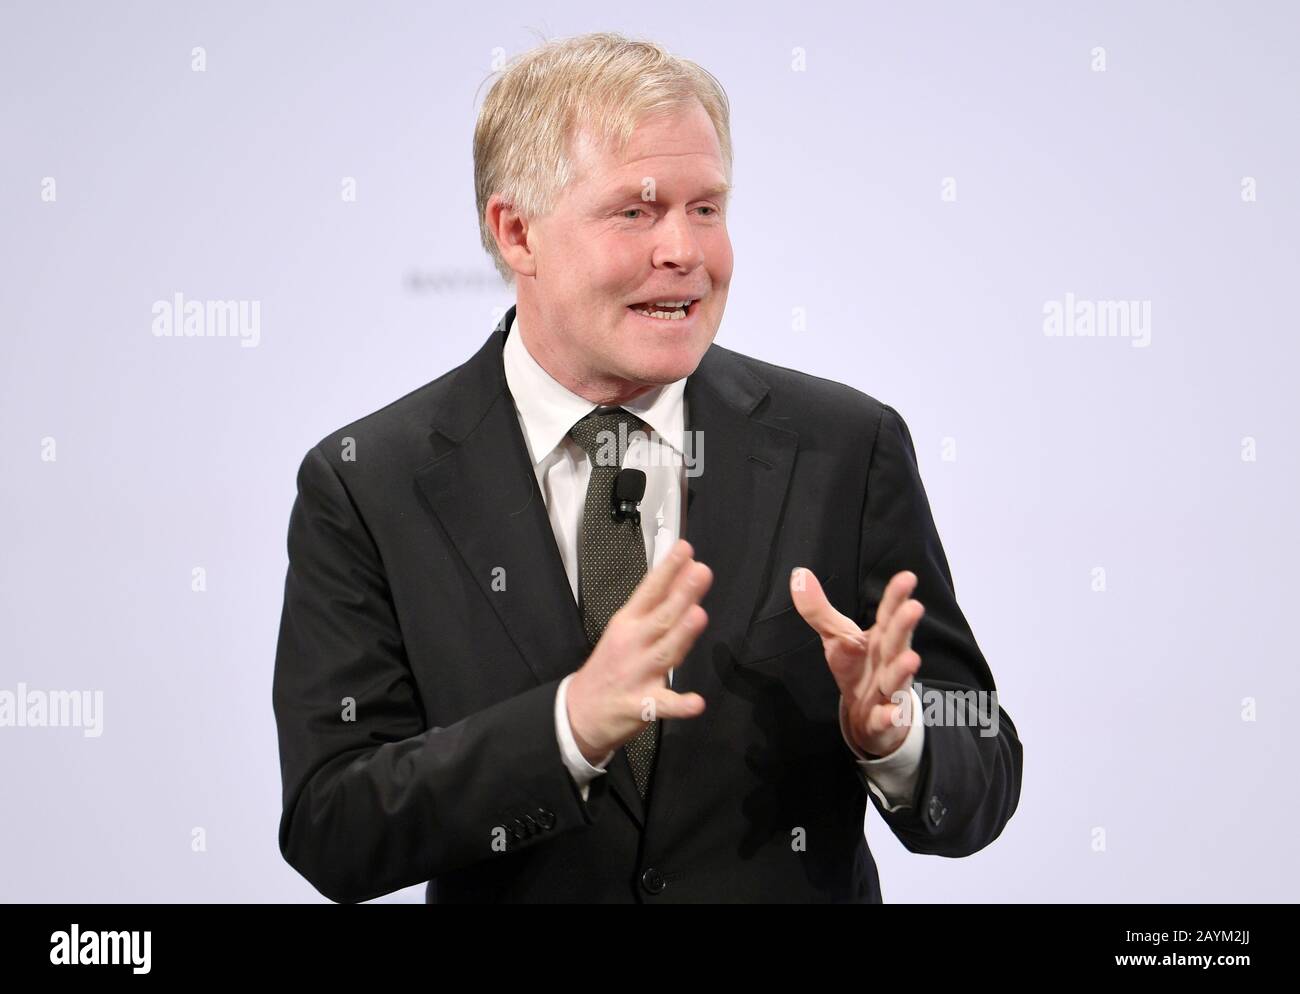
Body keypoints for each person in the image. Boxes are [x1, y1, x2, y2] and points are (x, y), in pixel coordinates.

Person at [272, 31, 1022, 903]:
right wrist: (568, 728)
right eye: (637, 211)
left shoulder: (844, 447)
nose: (685, 252)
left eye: (707, 208)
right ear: (517, 231)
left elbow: (985, 765)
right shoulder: (367, 483)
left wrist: (895, 736)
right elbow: (333, 825)